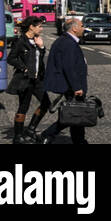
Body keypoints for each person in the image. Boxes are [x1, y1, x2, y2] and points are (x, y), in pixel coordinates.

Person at [39, 15, 89, 144]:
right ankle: (48, 134)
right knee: (73, 113)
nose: (84, 28)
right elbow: (69, 67)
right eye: (82, 26)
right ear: (74, 29)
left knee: (76, 113)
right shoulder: (68, 43)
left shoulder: (65, 41)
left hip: (69, 85)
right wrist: (76, 87)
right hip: (71, 86)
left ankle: (78, 140)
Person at [9, 16, 50, 143]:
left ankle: (31, 129)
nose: (41, 29)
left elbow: (39, 59)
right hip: (25, 79)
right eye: (39, 26)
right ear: (31, 27)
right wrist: (23, 68)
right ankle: (18, 136)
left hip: (37, 79)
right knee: (23, 107)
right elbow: (11, 58)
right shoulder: (21, 41)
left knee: (46, 103)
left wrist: (42, 47)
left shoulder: (36, 40)